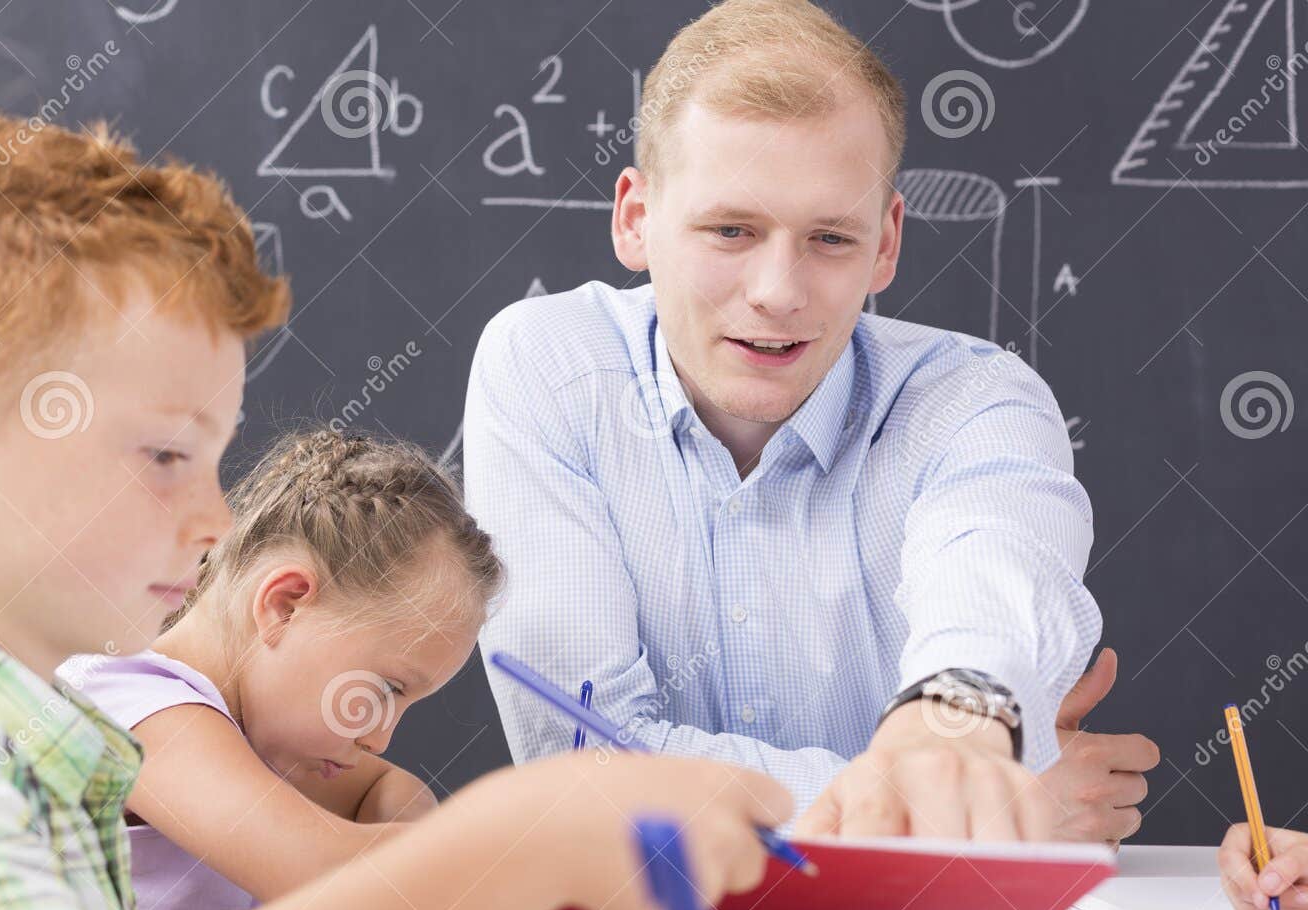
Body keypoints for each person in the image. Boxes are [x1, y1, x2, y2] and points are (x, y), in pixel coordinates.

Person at [0, 113, 825, 910]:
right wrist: (518, 840)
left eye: (213, 461)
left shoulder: (39, 759)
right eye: (163, 456)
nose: (211, 522)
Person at [465, 0, 1157, 842]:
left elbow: (996, 567)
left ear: (887, 242)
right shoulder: (550, 367)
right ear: (635, 218)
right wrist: (983, 804)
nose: (778, 291)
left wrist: (958, 716)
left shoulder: (976, 400)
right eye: (730, 229)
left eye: (830, 238)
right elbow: (583, 762)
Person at [60, 429, 494, 910]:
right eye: (385, 689)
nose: (380, 738)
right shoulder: (132, 699)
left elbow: (387, 789)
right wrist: (512, 841)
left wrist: (411, 833)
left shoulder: (265, 740)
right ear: (285, 605)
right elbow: (315, 868)